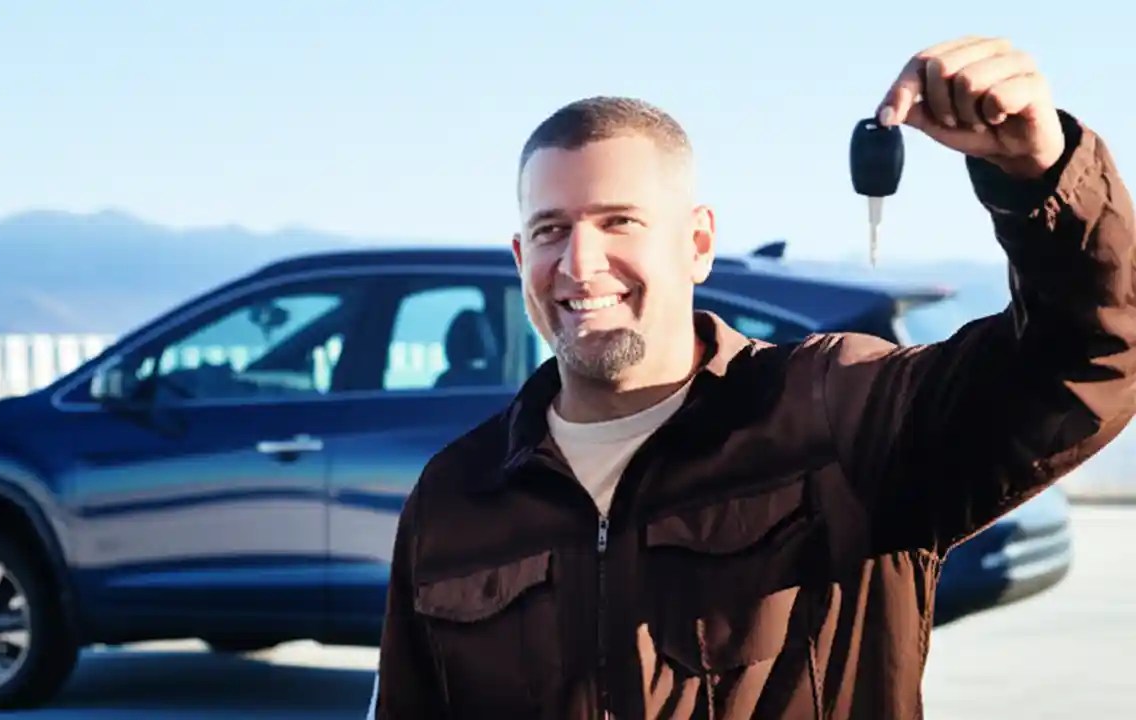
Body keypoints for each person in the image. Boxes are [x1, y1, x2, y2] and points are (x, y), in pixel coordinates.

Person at [370, 35, 1136, 719]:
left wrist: (1041, 179)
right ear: (518, 259)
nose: (579, 263)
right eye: (550, 231)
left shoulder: (832, 417)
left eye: (619, 222)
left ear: (697, 243)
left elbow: (1087, 360)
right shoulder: (454, 498)